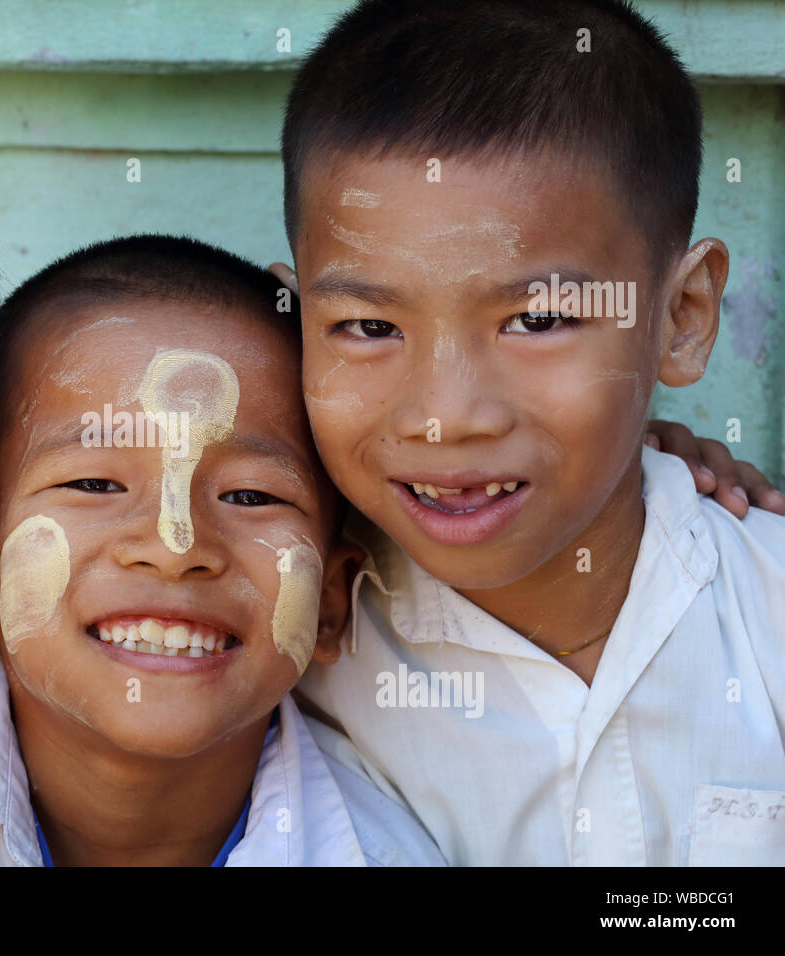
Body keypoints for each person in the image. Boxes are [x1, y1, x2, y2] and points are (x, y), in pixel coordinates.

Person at [281, 0, 785, 864]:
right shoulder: (286, 653)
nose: (445, 415)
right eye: (369, 328)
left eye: (539, 318)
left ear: (684, 317)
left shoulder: (767, 617)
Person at [0, 236, 446, 866]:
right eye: (93, 483)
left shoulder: (379, 852)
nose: (175, 546)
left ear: (330, 605)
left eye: (250, 496)